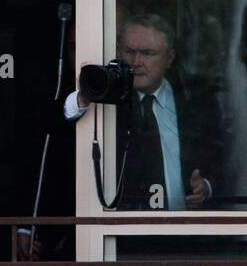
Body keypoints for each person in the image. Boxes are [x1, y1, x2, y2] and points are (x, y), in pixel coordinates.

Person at [64, 13, 220, 211]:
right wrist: (84, 96)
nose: (136, 61)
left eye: (147, 53)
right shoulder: (105, 95)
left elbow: (219, 159)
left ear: (169, 58)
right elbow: (64, 121)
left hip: (186, 231)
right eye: (129, 51)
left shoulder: (194, 101)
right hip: (118, 234)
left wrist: (206, 186)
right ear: (119, 52)